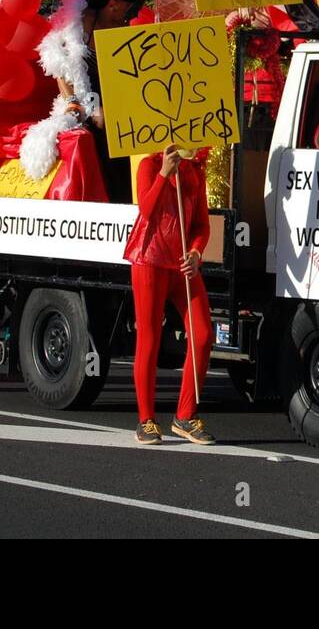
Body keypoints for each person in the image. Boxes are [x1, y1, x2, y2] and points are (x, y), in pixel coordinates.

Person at [30, 0, 151, 203]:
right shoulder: (81, 20)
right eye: (130, 6)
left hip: (114, 110)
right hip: (78, 103)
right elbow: (58, 65)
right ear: (114, 1)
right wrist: (78, 104)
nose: (132, 13)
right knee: (90, 144)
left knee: (120, 164)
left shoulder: (123, 28)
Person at [124, 143, 214, 445]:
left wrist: (196, 253)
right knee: (149, 338)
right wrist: (164, 172)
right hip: (149, 259)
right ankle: (146, 420)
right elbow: (145, 211)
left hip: (181, 266)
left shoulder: (195, 173)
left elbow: (202, 225)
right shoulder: (148, 166)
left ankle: (186, 415)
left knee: (202, 334)